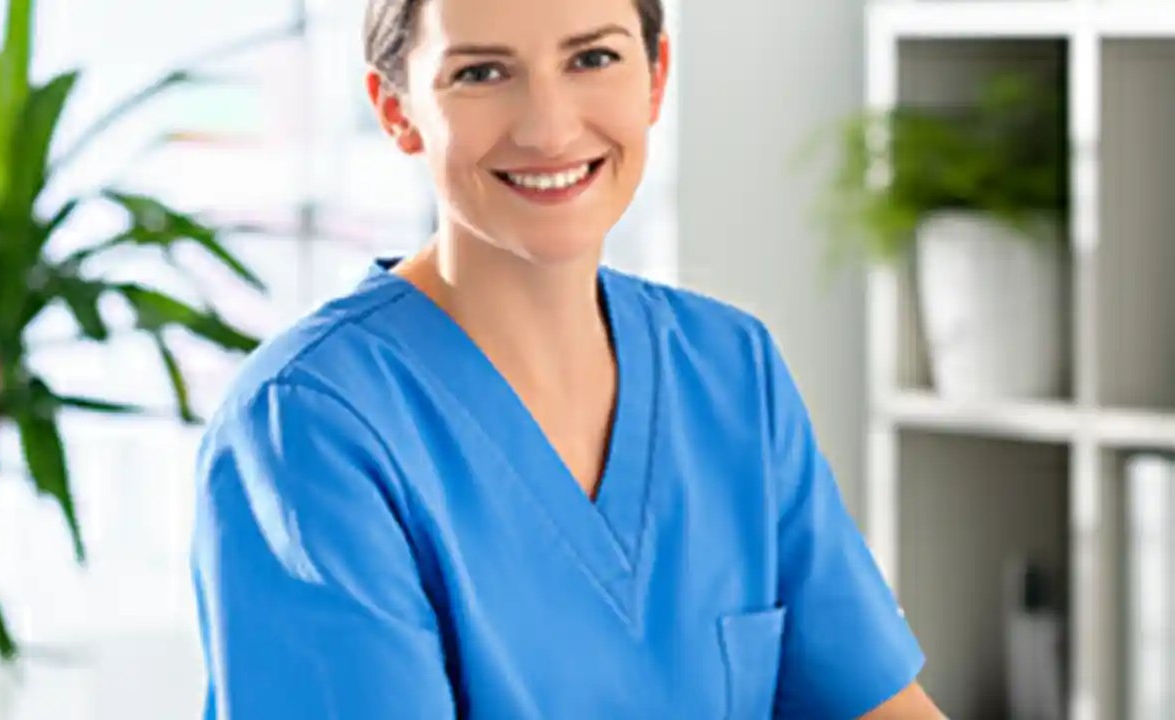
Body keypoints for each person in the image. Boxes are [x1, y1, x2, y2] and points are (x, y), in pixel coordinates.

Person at [190, 0, 947, 717]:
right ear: (398, 110)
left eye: (592, 57)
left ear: (654, 77)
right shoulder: (309, 425)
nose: (549, 130)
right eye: (481, 73)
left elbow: (876, 704)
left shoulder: (729, 369)